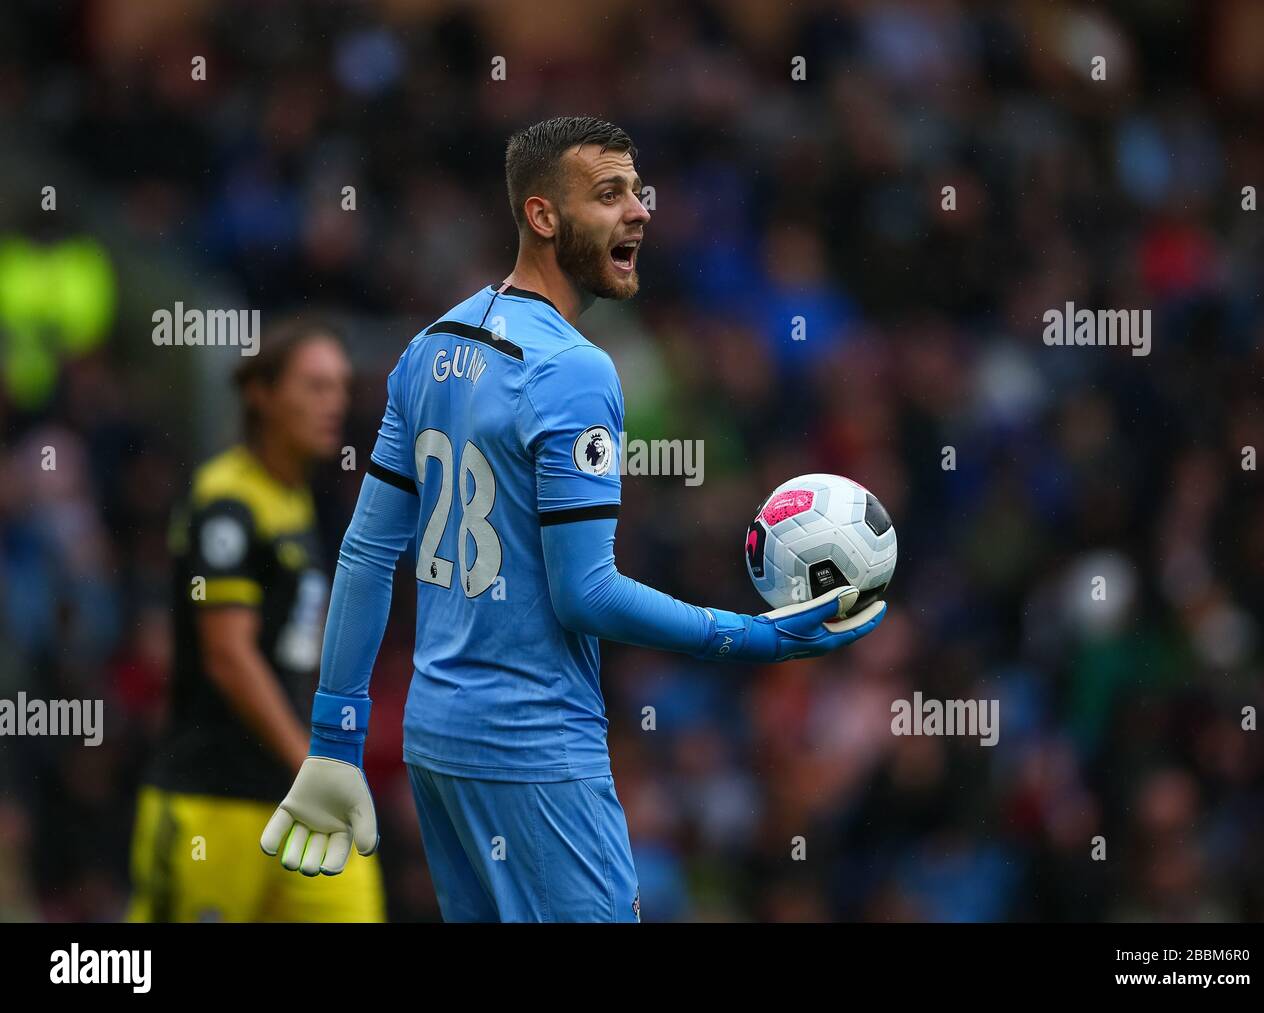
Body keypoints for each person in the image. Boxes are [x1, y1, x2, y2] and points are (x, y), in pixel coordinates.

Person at [260, 117, 885, 922]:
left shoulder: (430, 346)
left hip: (439, 739)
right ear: (543, 216)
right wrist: (753, 636)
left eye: (637, 190)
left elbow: (366, 552)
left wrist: (337, 734)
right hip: (536, 747)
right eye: (609, 193)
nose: (640, 210)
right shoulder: (576, 371)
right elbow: (584, 593)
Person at [128, 319, 383, 922]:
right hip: (215, 802)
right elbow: (227, 654)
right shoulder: (227, 500)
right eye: (316, 387)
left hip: (300, 804)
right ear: (261, 395)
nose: (335, 405)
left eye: (341, 388)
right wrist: (311, 763)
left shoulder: (294, 499)